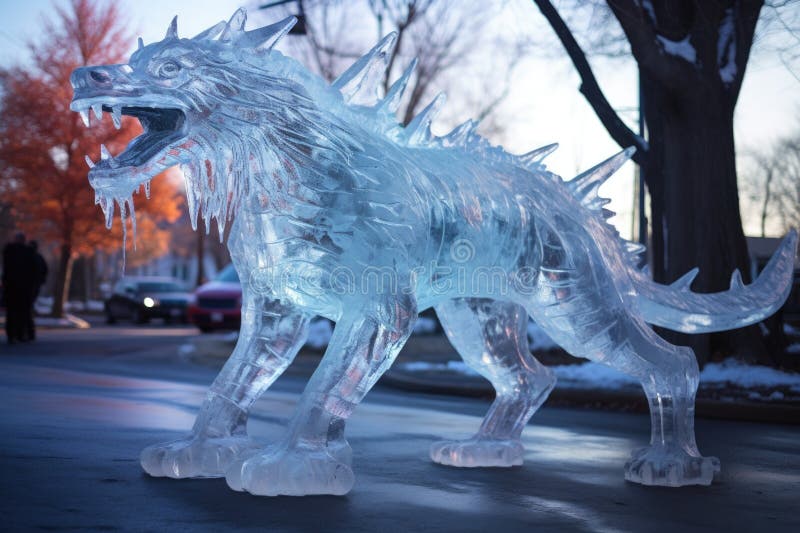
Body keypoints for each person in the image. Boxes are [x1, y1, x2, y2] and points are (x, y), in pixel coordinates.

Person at [2, 233, 36, 343]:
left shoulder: (9, 251)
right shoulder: (28, 252)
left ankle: (11, 335)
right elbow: (33, 271)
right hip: (24, 288)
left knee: (12, 312)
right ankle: (20, 334)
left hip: (11, 287)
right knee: (23, 312)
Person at [27, 240, 48, 341]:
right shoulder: (39, 258)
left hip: (29, 287)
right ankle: (29, 333)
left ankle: (28, 332)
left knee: (26, 309)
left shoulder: (29, 258)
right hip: (34, 286)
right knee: (28, 309)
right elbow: (44, 271)